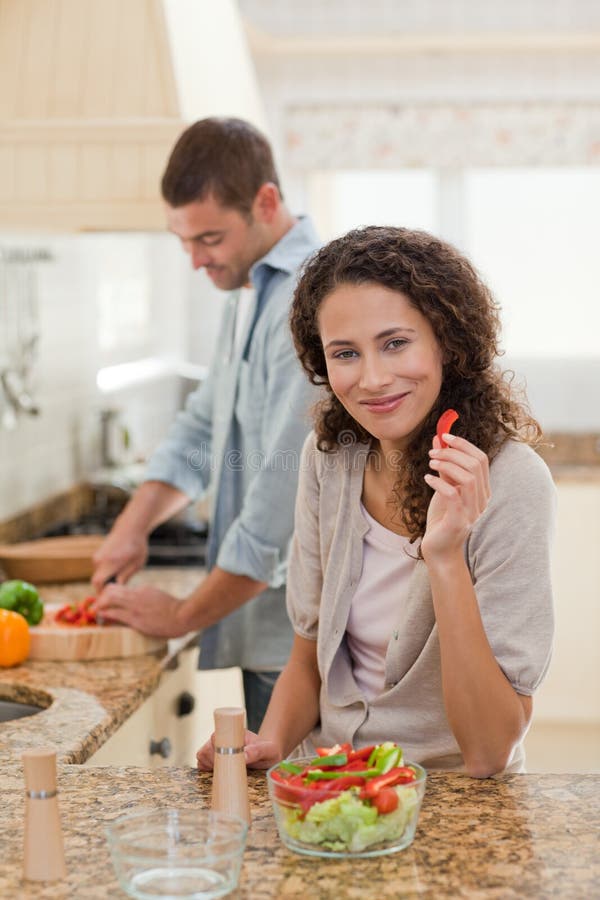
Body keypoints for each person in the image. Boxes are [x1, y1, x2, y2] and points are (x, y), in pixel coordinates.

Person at [197, 225, 556, 776]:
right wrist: (270, 744)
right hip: (332, 784)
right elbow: (308, 660)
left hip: (455, 802)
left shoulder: (511, 483)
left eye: (395, 343)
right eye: (345, 353)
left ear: (446, 338)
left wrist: (444, 558)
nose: (372, 378)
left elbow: (488, 753)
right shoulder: (329, 457)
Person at [92, 118, 320, 730]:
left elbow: (279, 501)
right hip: (263, 630)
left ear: (267, 202)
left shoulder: (309, 300)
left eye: (210, 238)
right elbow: (201, 432)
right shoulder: (250, 289)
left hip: (299, 641)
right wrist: (132, 526)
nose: (195, 260)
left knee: (297, 820)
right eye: (184, 241)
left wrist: (184, 614)